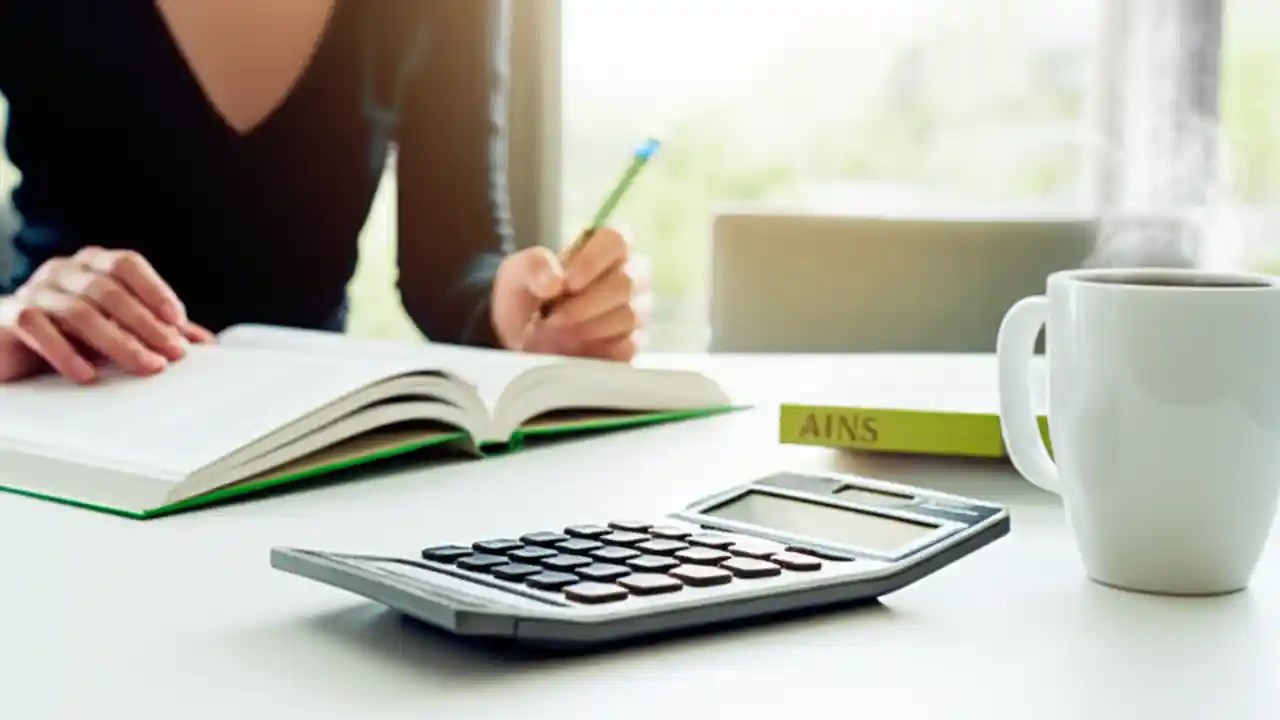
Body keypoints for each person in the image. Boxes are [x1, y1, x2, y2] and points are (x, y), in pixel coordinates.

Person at [0, 0, 649, 386]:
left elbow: (452, 268)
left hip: (302, 446)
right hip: (60, 413)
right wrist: (12, 317)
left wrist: (518, 313)